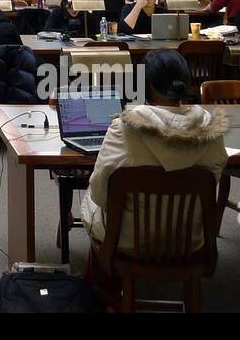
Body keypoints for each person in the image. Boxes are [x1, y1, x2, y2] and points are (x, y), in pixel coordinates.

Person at [79, 49, 229, 256]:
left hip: (127, 239)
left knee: (90, 196)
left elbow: (100, 194)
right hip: (188, 239)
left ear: (146, 85)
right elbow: (214, 179)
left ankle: (101, 278)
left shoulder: (123, 129)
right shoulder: (210, 129)